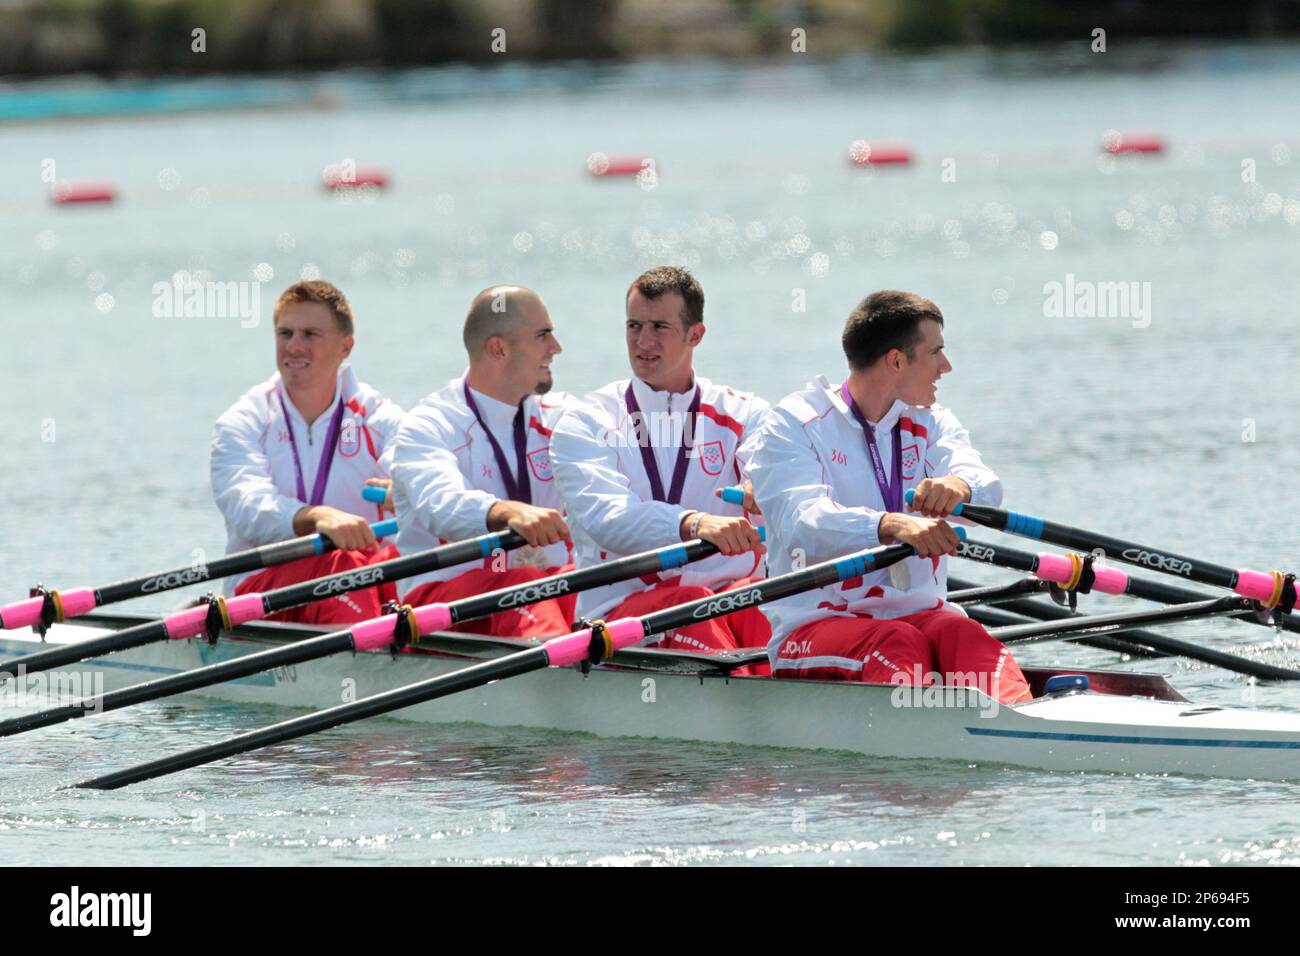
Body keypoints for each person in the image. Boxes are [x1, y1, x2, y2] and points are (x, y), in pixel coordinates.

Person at [742, 290, 1032, 703]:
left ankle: (1024, 726)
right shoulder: (795, 423)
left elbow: (986, 484)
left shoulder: (930, 421)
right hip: (814, 627)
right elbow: (802, 521)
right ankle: (933, 738)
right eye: (935, 352)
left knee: (962, 634)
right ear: (896, 361)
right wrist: (889, 524)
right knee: (895, 643)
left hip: (919, 616)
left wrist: (960, 487)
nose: (946, 366)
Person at [550, 266, 770, 662]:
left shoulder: (745, 412)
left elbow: (770, 460)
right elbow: (610, 520)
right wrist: (695, 524)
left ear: (695, 335)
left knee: (775, 614)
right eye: (634, 326)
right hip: (620, 613)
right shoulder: (586, 422)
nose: (643, 341)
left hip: (727, 597)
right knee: (692, 607)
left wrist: (765, 485)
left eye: (659, 327)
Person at [211, 280, 403, 625]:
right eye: (285, 334)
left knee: (397, 569)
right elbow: (248, 507)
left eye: (310, 334)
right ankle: (365, 664)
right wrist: (316, 518)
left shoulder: (379, 418)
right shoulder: (243, 421)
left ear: (346, 347)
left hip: (365, 581)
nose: (294, 347)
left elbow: (417, 469)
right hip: (264, 592)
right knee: (343, 565)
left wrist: (409, 492)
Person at [390, 285, 577, 638]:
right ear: (498, 348)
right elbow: (440, 506)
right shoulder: (429, 425)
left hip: (543, 587)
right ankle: (563, 678)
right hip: (443, 607)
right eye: (543, 336)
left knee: (646, 593)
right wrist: (507, 512)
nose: (556, 348)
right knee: (522, 582)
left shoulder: (566, 418)